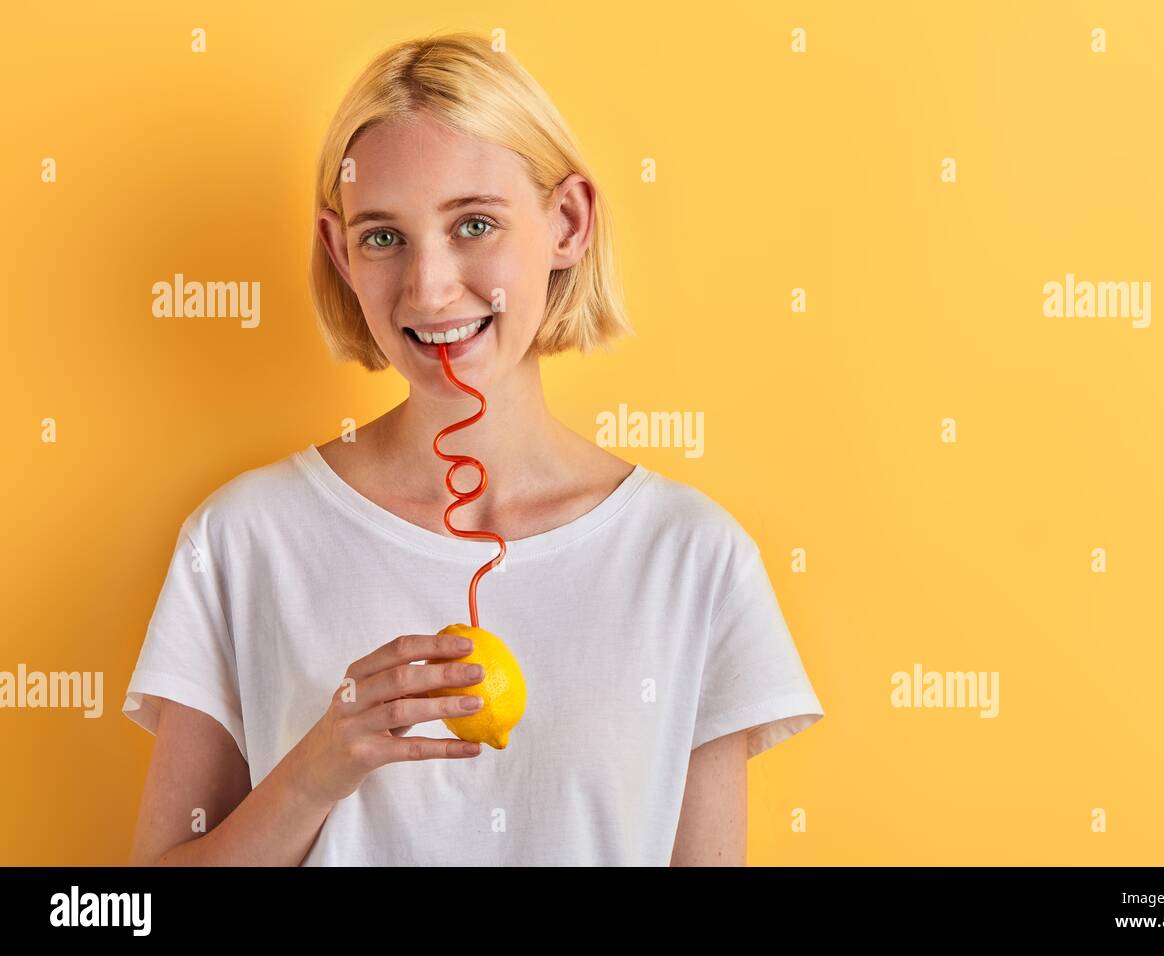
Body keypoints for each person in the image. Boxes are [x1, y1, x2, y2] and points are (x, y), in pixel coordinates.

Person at [123, 31, 823, 866]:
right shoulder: (242, 540)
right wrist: (314, 772)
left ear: (567, 223)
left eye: (475, 224)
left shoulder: (691, 559)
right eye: (384, 237)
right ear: (341, 250)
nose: (428, 288)